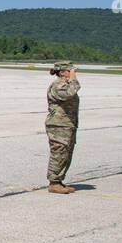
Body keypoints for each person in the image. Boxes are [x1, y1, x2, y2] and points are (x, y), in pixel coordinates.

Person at [46, 61, 81, 194]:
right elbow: (69, 93)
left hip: (67, 124)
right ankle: (54, 182)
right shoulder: (58, 85)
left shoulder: (65, 84)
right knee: (59, 152)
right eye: (70, 70)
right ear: (62, 72)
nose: (73, 73)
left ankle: (58, 180)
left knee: (66, 153)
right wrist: (73, 79)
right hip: (58, 125)